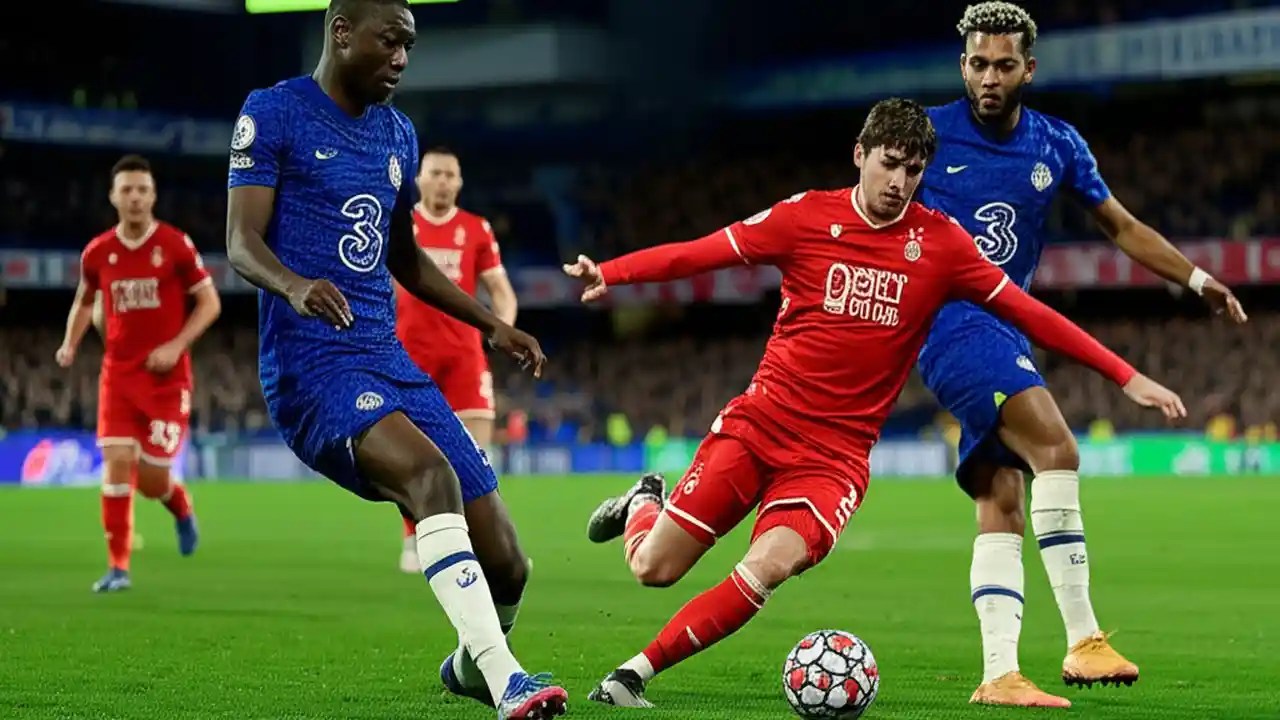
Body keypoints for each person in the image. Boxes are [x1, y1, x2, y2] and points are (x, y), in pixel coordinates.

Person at [563, 97, 1186, 709]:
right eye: (890, 164)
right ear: (859, 154)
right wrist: (612, 274)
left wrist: (1124, 374)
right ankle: (643, 504)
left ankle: (632, 675)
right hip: (758, 425)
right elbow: (704, 252)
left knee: (768, 566)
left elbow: (1030, 313)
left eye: (913, 171)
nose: (899, 183)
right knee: (654, 568)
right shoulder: (805, 217)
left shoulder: (941, 245)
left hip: (832, 461)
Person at [223, 1, 565, 717]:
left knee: (508, 562)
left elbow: (404, 258)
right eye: (391, 42)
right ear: (342, 32)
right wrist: (294, 284)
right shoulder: (274, 112)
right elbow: (240, 243)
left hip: (389, 358)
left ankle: (467, 668)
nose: (403, 59)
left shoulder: (397, 134)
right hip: (314, 367)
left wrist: (491, 323)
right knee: (429, 477)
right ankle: (507, 680)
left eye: (410, 45)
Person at [917, 2, 1248, 706]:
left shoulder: (1056, 144)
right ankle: (1084, 639)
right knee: (1058, 450)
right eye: (978, 64)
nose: (989, 78)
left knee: (1001, 498)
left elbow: (1121, 226)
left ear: (1029, 68)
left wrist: (1196, 279)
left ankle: (999, 673)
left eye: (1004, 65)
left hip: (1009, 329)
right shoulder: (929, 134)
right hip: (951, 326)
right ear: (962, 66)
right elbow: (872, 203)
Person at [56, 154, 221, 593]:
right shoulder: (98, 252)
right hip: (118, 376)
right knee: (115, 464)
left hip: (167, 382)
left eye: (142, 190)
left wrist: (176, 346)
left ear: (153, 196)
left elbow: (210, 303)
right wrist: (70, 343)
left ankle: (180, 506)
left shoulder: (175, 245)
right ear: (113, 196)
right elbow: (84, 302)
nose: (135, 197)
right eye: (127, 189)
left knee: (151, 480)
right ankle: (118, 567)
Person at [394, 147, 520, 581]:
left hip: (465, 354)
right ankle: (413, 535)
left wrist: (504, 330)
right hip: (411, 355)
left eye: (451, 174)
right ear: (419, 179)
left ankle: (480, 544)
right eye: (436, 173)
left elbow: (501, 292)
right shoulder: (399, 223)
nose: (443, 181)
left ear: (460, 183)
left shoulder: (476, 229)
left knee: (477, 457)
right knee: (412, 457)